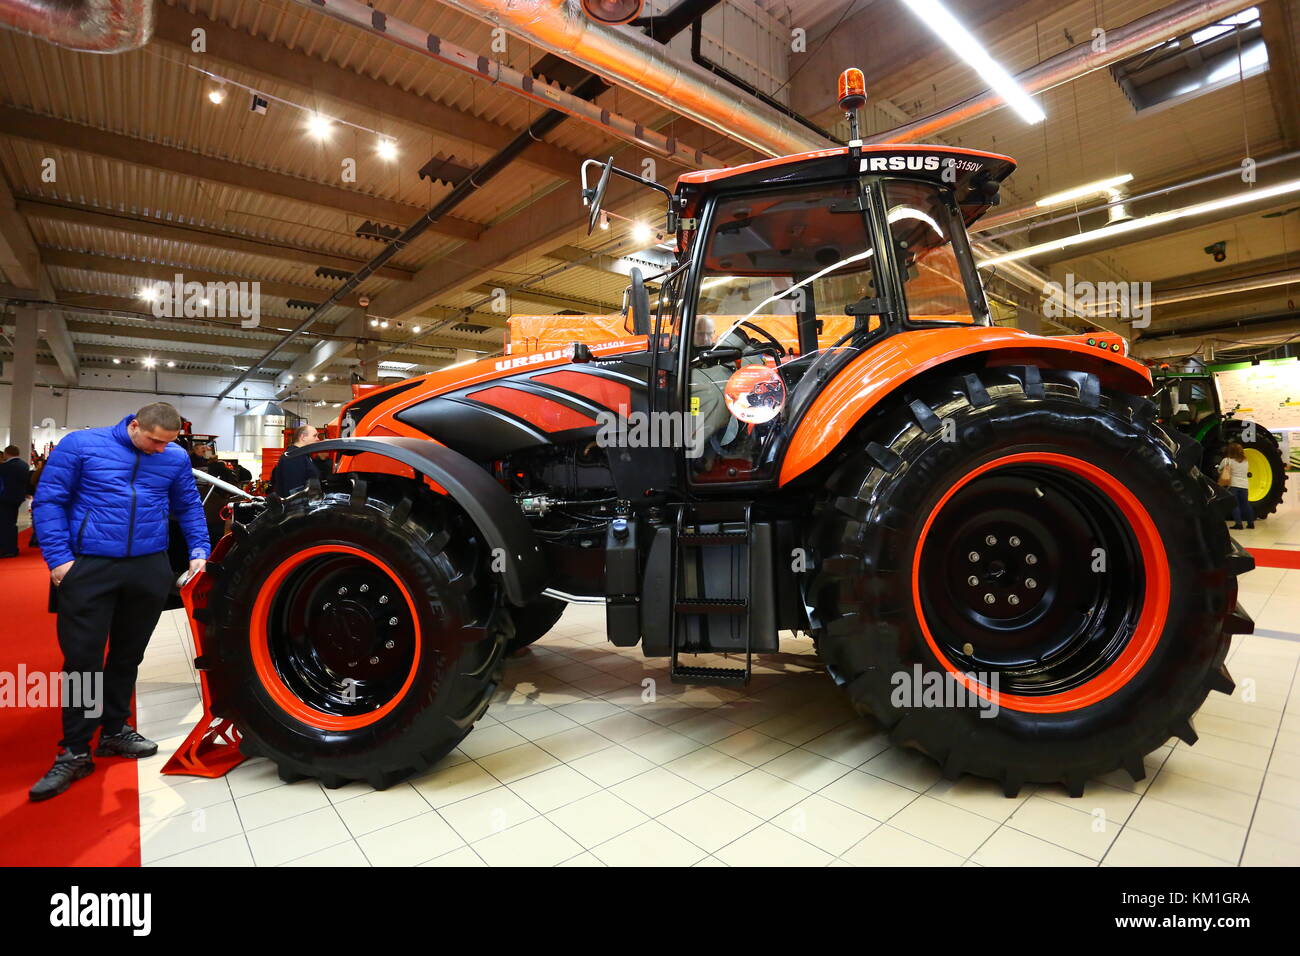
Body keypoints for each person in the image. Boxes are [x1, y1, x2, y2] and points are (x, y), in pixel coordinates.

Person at [27, 403, 210, 801]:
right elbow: (49, 501)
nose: (162, 450)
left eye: (169, 443)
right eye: (155, 441)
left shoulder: (174, 457)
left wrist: (199, 547)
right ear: (134, 426)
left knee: (128, 655)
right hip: (89, 566)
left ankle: (115, 730)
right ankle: (75, 749)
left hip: (147, 566)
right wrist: (59, 560)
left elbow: (188, 505)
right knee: (81, 660)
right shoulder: (81, 446)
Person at [270, 424, 321, 496]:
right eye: (314, 436)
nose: (318, 439)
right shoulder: (295, 457)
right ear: (303, 437)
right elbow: (295, 490)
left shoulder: (302, 455)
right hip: (298, 505)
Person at [0, 445, 30, 557]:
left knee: (4, 524)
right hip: (17, 498)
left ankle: (6, 549)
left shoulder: (4, 467)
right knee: (12, 523)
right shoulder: (24, 465)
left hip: (5, 499)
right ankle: (12, 548)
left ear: (6, 453)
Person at [1219, 441, 1255, 531]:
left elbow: (1220, 470)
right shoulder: (1245, 461)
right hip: (1244, 485)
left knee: (1235, 505)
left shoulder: (1227, 460)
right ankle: (1251, 523)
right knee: (1246, 504)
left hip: (1233, 485)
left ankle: (1239, 524)